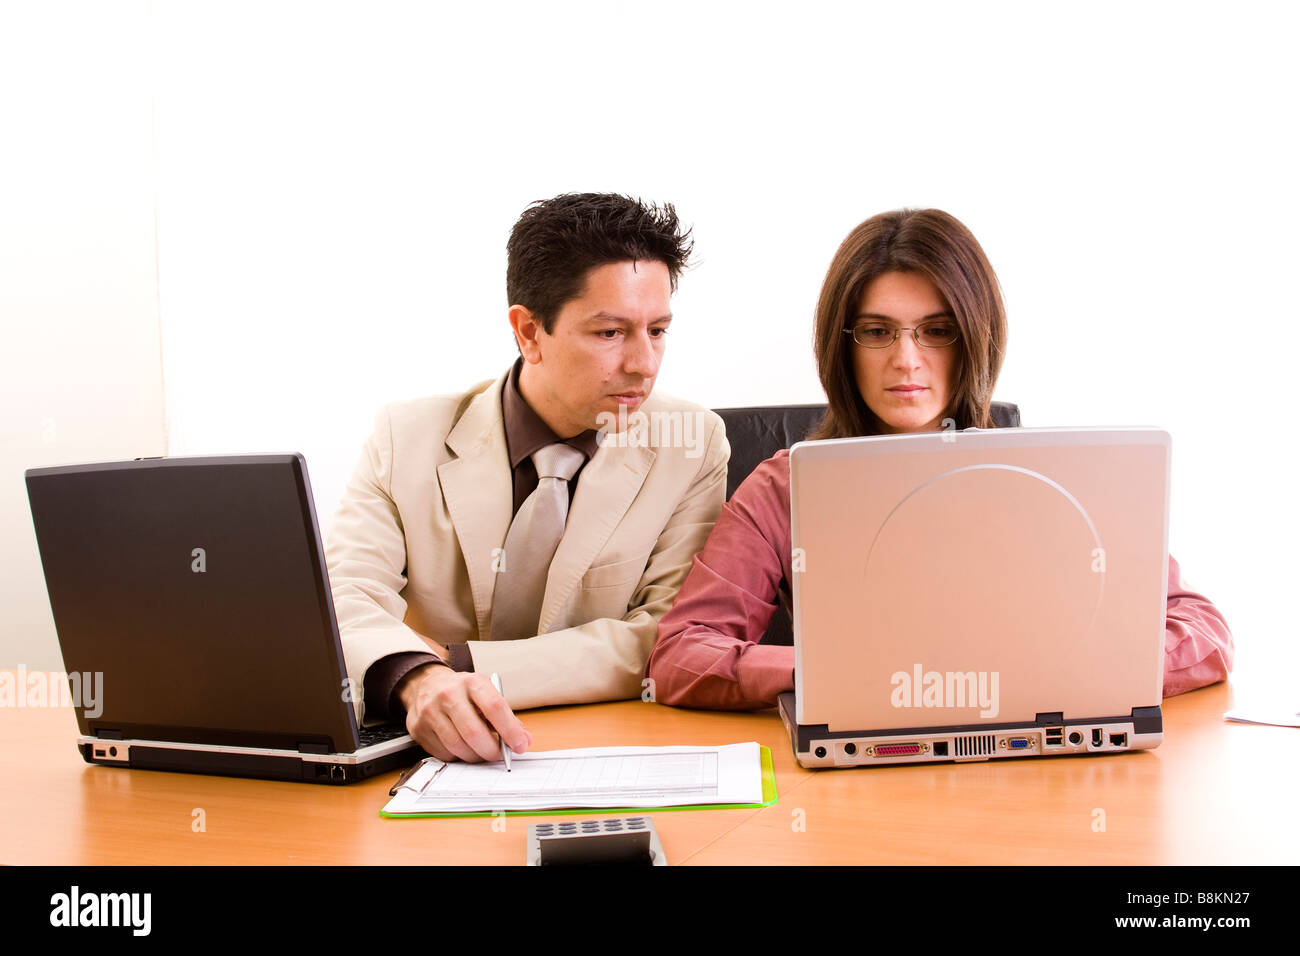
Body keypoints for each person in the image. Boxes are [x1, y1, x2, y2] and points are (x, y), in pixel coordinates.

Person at [646, 208, 1232, 710]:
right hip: (862, 764)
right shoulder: (784, 488)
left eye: (937, 331)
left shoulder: (1060, 477)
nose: (906, 359)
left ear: (976, 337)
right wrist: (845, 675)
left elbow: (1203, 633)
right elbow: (681, 657)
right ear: (842, 346)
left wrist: (1047, 670)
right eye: (877, 332)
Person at [326, 193, 729, 759]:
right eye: (610, 333)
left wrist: (450, 664)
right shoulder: (405, 438)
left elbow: (664, 637)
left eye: (657, 330)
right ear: (529, 332)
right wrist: (416, 679)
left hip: (604, 747)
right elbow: (344, 597)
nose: (643, 364)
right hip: (429, 752)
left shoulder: (693, 443)